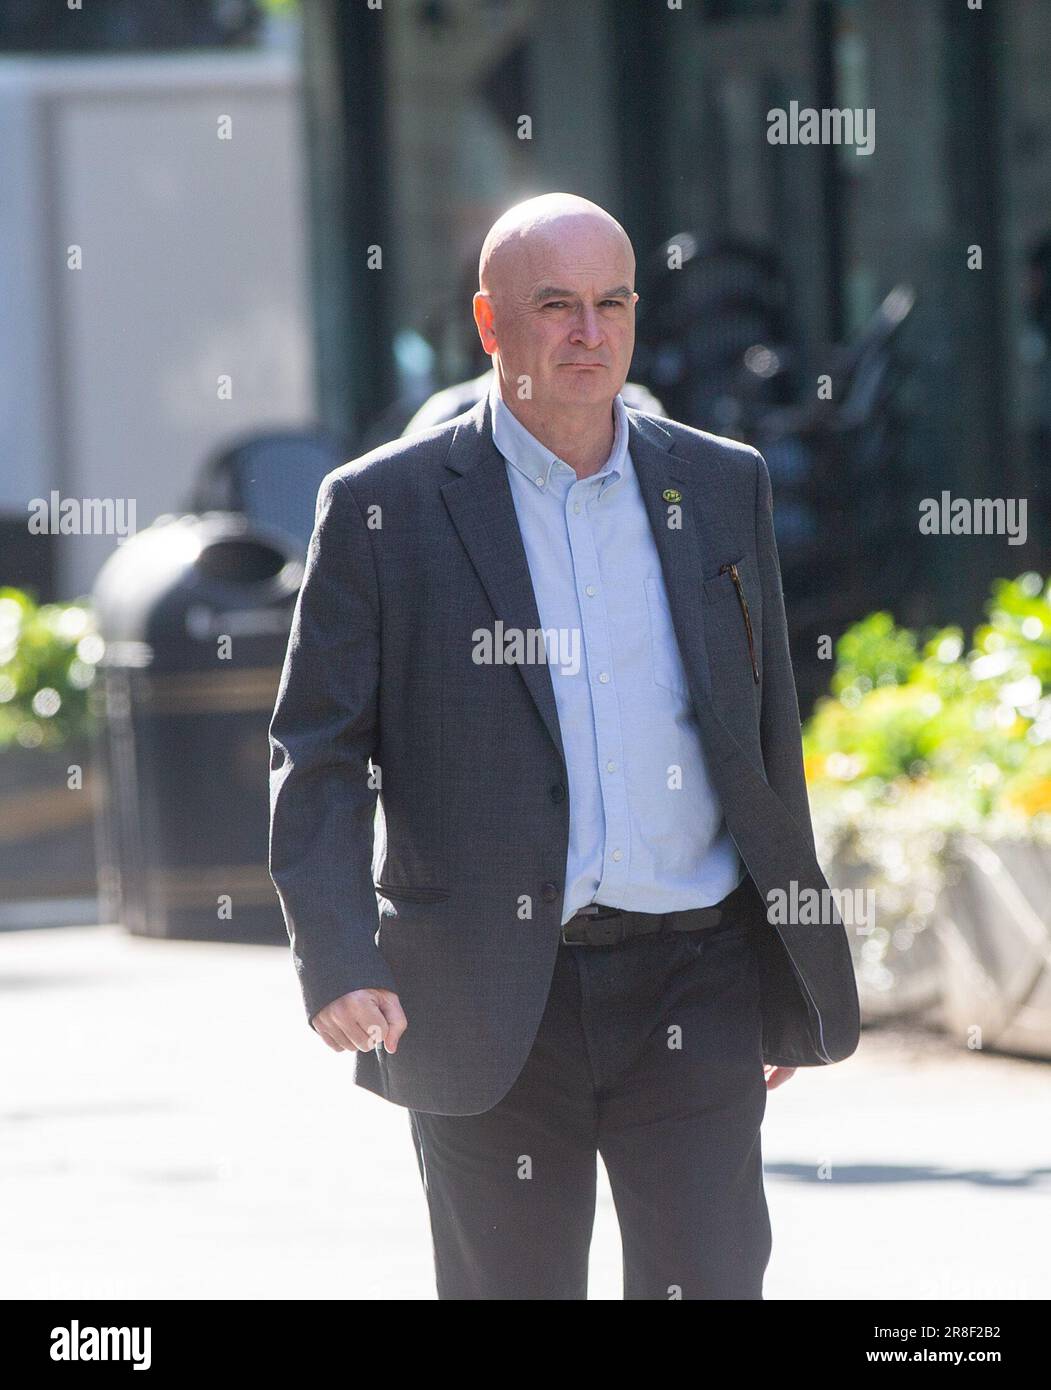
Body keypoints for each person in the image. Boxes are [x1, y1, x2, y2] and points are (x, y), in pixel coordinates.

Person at [268, 193, 861, 1300]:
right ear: (491, 326)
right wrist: (338, 952)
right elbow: (320, 751)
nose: (590, 333)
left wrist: (783, 957)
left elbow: (763, 734)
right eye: (557, 307)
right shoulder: (382, 507)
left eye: (612, 303)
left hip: (696, 975)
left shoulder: (720, 482)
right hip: (483, 992)